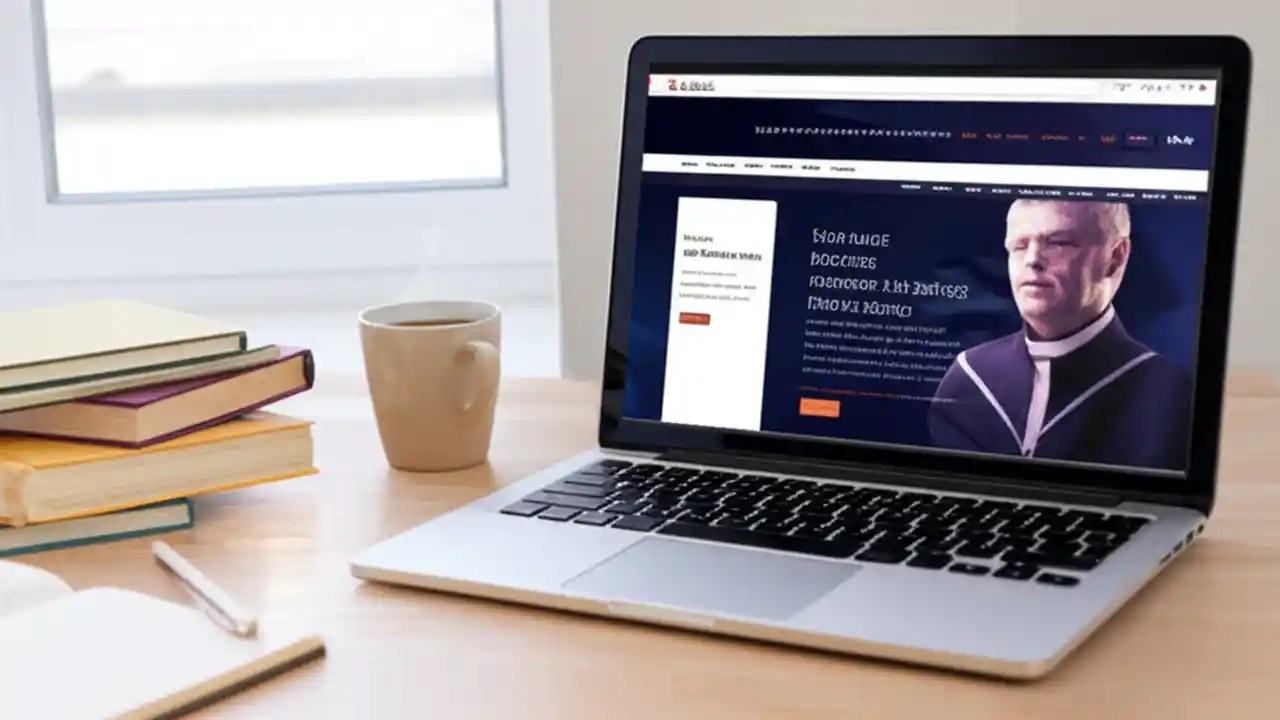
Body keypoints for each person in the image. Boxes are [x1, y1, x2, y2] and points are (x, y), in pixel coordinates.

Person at [928, 199, 1191, 472]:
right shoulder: (967, 380)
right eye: (1019, 246)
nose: (1032, 260)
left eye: (1058, 242)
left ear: (1115, 256)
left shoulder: (1171, 398)